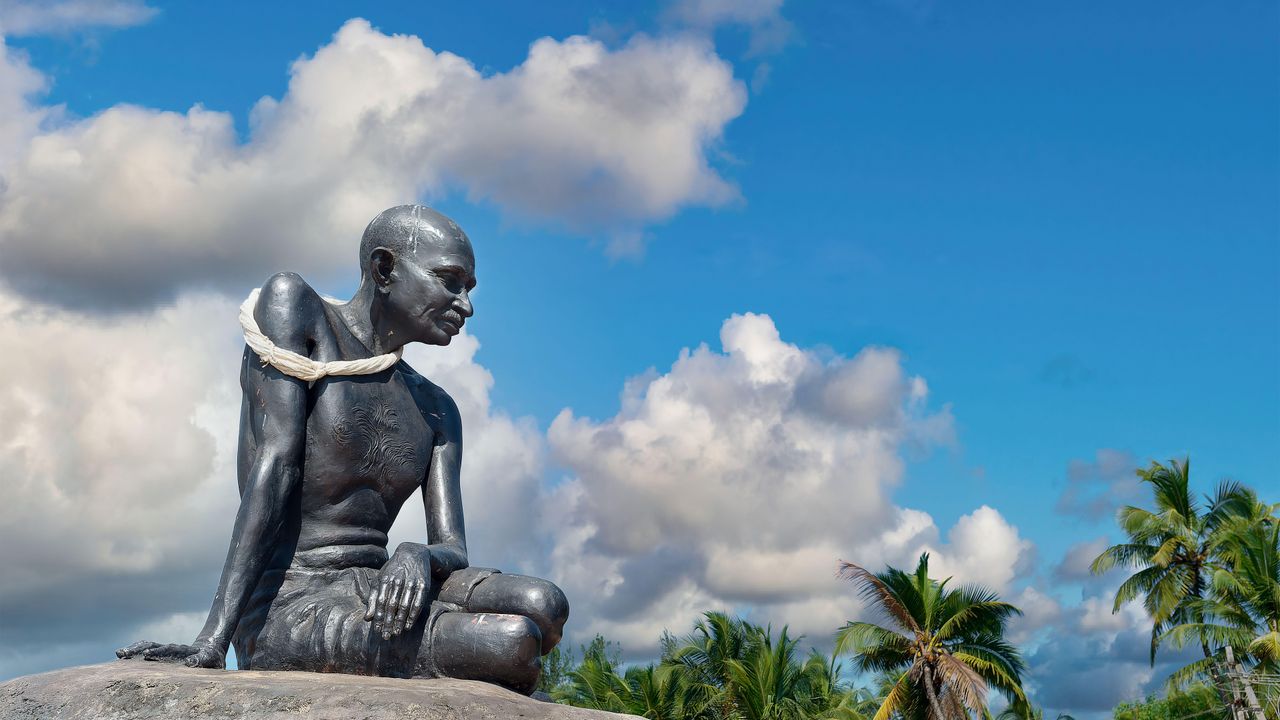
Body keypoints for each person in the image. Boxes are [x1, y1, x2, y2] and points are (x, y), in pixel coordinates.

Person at [118, 205, 568, 694]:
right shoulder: (297, 308)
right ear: (384, 269)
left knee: (544, 603)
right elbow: (275, 469)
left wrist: (418, 554)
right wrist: (213, 641)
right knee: (511, 641)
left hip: (383, 588)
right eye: (449, 281)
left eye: (469, 289)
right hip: (293, 602)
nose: (465, 305)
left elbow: (453, 547)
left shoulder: (437, 408)